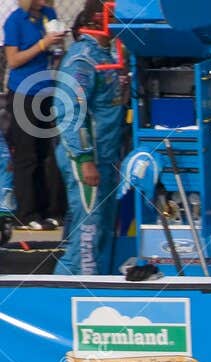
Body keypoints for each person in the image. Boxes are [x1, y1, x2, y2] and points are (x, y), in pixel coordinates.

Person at [52, 0, 124, 275]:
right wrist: (84, 159)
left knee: (103, 229)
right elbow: (69, 111)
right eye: (114, 16)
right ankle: (66, 296)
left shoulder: (110, 55)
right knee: (87, 233)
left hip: (106, 156)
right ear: (99, 18)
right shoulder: (83, 58)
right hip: (85, 158)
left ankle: (98, 287)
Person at [3, 0, 65, 230]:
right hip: (24, 93)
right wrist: (42, 44)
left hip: (47, 89)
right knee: (27, 153)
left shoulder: (49, 14)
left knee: (49, 153)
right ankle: (27, 212)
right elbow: (13, 60)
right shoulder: (15, 20)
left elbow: (56, 48)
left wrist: (56, 45)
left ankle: (52, 209)